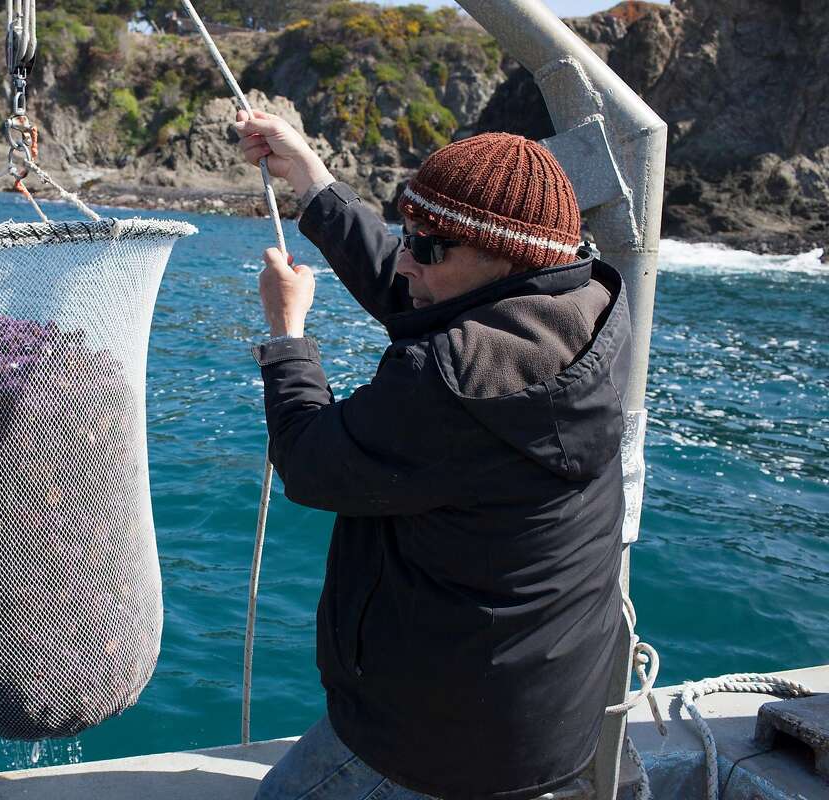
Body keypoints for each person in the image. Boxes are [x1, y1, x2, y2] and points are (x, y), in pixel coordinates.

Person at [234, 109, 631, 800]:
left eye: (429, 245)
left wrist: (288, 336)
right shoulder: (586, 305)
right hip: (544, 720)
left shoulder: (449, 378)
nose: (408, 257)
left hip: (438, 740)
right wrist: (311, 178)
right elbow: (417, 289)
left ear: (505, 257)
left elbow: (309, 461)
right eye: (407, 234)